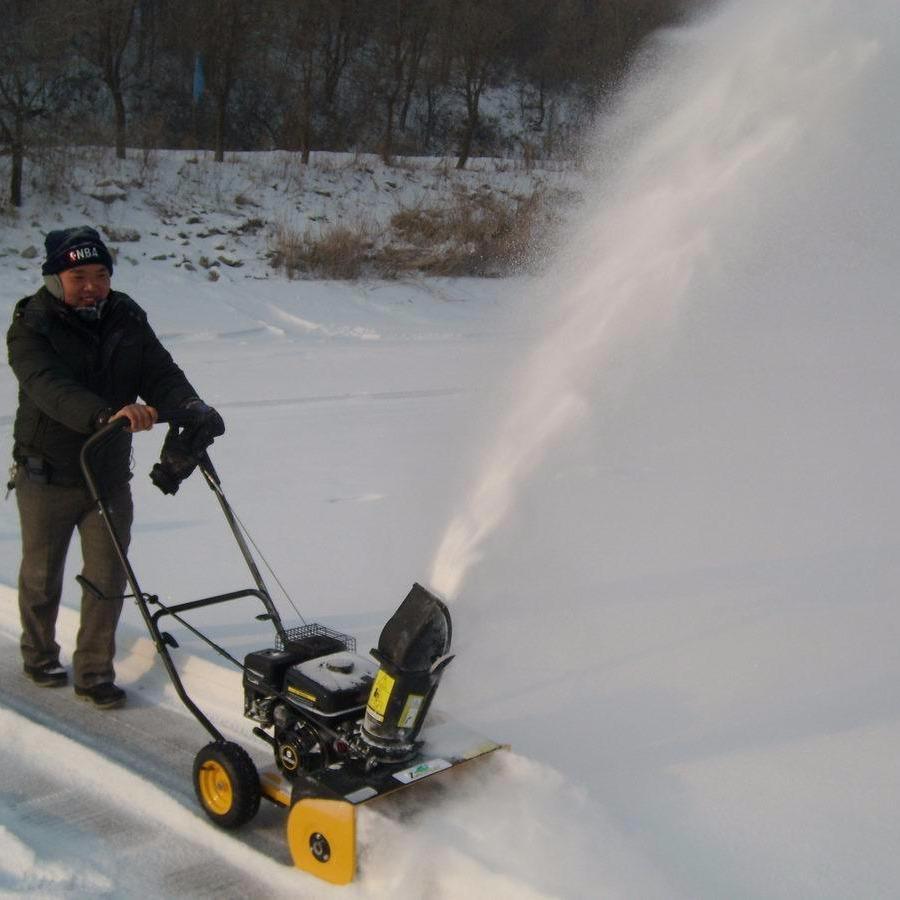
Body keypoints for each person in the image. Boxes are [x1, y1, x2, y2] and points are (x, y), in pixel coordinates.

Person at [7, 226, 223, 709]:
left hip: (106, 474)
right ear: (54, 277)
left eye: (100, 274)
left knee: (108, 577)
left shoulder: (125, 314)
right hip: (49, 473)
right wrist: (106, 415)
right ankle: (39, 653)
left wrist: (187, 403)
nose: (91, 285)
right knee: (42, 576)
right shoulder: (31, 321)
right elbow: (47, 385)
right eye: (78, 275)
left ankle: (93, 672)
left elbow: (159, 371)